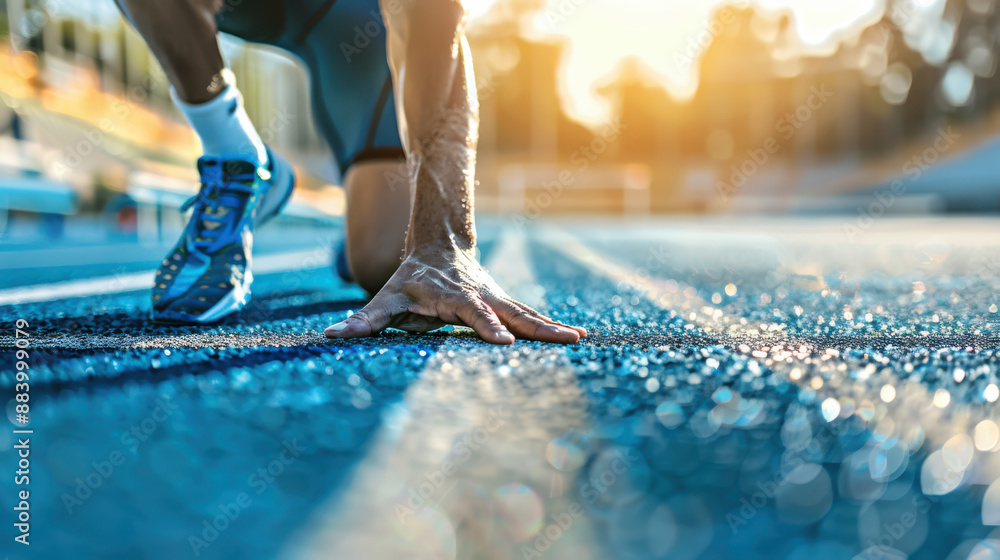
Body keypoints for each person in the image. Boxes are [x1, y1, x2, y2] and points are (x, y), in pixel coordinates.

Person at [114, 0, 586, 344]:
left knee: (387, 267)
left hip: (359, 28)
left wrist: (443, 244)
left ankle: (364, 222)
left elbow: (436, 16)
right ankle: (235, 155)